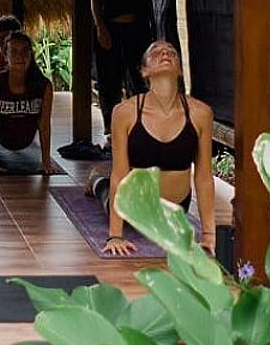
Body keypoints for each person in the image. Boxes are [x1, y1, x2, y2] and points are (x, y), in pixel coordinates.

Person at [92, 41, 216, 257]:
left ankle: (97, 176)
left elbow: (204, 176)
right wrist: (115, 235)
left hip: (176, 205)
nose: (166, 53)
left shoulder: (200, 113)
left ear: (179, 70)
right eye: (156, 53)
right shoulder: (125, 112)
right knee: (104, 188)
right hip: (133, 206)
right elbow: (120, 174)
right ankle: (95, 180)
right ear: (144, 71)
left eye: (172, 53)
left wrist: (208, 234)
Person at [91, 0, 155, 144]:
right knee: (110, 81)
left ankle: (140, 126)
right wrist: (100, 27)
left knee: (139, 79)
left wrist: (151, 28)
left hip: (137, 28)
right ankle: (111, 129)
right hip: (110, 27)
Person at [0, 31, 56, 175]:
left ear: (31, 55)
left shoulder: (44, 85)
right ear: (5, 56)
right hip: (1, 135)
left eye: (25, 51)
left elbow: (44, 125)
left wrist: (46, 163)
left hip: (25, 138)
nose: (20, 56)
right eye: (14, 52)